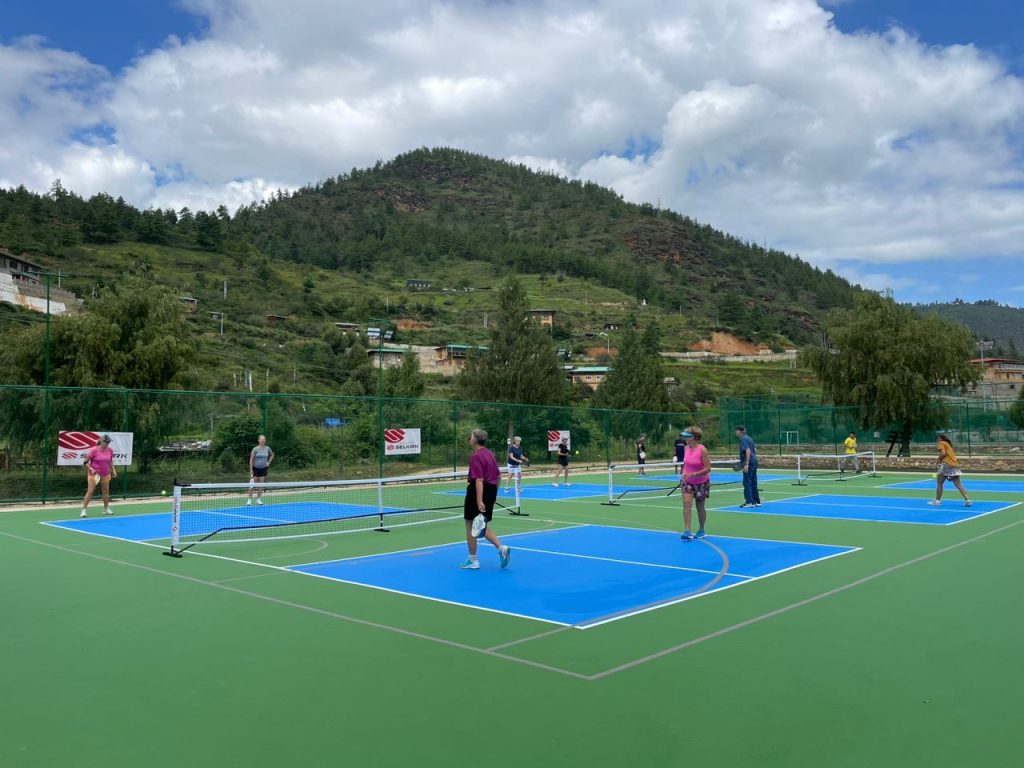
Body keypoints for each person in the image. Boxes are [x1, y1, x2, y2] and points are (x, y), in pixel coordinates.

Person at [460, 429, 511, 570]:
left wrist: (479, 500)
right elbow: (498, 477)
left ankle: (473, 560)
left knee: (470, 525)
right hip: (491, 490)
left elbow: (479, 480)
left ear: (475, 439)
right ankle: (501, 548)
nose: (469, 439)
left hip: (478, 492)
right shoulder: (490, 454)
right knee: (480, 524)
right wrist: (493, 497)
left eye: (470, 436)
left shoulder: (476, 456)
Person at [679, 427, 712, 541]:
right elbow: (686, 464)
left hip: (701, 482)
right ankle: (687, 531)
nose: (685, 438)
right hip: (687, 482)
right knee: (687, 504)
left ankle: (701, 530)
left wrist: (693, 474)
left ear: (695, 438)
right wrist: (683, 474)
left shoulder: (702, 450)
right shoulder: (685, 448)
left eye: (688, 436)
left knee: (700, 507)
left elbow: (708, 469)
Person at [929, 434, 971, 507]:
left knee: (939, 483)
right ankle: (968, 500)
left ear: (940, 438)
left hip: (946, 465)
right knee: (958, 484)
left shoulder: (941, 443)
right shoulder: (948, 444)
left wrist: (938, 459)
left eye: (936, 438)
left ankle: (937, 501)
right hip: (955, 465)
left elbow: (943, 453)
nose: (936, 440)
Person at [80, 434, 116, 517]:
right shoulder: (94, 450)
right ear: (102, 441)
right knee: (90, 491)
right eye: (106, 442)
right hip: (94, 475)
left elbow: (110, 462)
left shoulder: (110, 450)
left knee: (106, 491)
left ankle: (106, 509)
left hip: (105, 474)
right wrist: (91, 468)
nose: (108, 443)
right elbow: (85, 462)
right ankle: (83, 510)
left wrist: (113, 470)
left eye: (109, 442)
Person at [735, 425, 760, 508]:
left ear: (740, 432)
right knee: (753, 482)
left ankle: (749, 502)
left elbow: (748, 451)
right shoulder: (749, 438)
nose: (736, 432)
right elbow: (755, 450)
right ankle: (756, 501)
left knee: (747, 482)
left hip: (750, 463)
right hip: (754, 462)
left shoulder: (743, 440)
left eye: (737, 430)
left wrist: (746, 464)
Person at [247, 434, 274, 506]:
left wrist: (268, 462)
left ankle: (258, 499)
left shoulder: (268, 448)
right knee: (252, 485)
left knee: (261, 485)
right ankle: (249, 500)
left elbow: (272, 455)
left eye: (264, 439)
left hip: (263, 469)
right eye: (261, 439)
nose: (263, 440)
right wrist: (251, 469)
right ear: (258, 440)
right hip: (255, 469)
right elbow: (251, 459)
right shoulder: (255, 449)